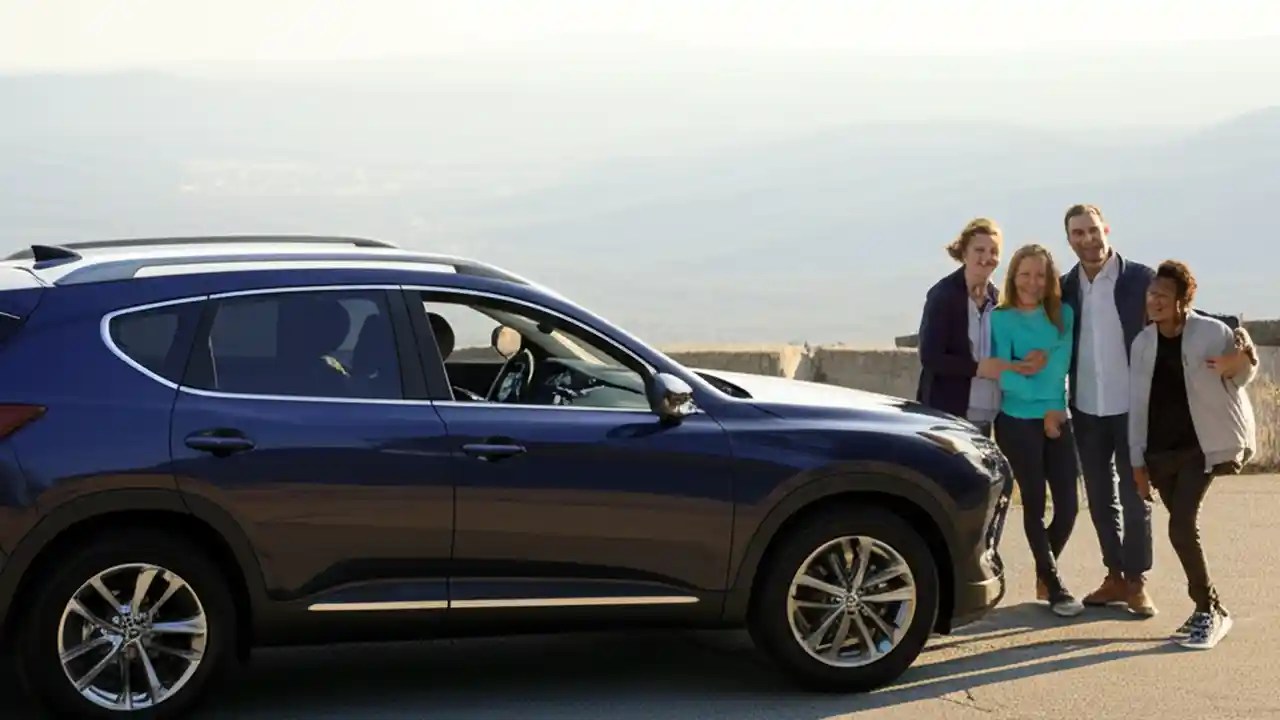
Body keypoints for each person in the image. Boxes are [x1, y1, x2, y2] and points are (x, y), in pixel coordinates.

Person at [1058, 203, 1254, 617]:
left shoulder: (1140, 278)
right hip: (1086, 407)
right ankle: (1114, 575)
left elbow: (1195, 312)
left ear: (1106, 230)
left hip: (1133, 407)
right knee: (1099, 498)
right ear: (1069, 239)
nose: (1087, 239)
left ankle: (1136, 581)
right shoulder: (1065, 288)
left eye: (1093, 230)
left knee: (1136, 497)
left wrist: (1242, 343)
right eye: (1078, 233)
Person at [1127, 260, 1257, 649]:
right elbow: (1137, 406)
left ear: (1183, 301)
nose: (1155, 301)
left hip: (1200, 448)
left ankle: (1206, 610)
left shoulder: (1211, 332)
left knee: (1181, 527)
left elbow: (1242, 371)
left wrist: (1239, 362)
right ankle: (1212, 607)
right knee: (1183, 531)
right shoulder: (1142, 343)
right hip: (1159, 453)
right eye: (1152, 294)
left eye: (1164, 296)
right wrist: (1137, 463)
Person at [991, 243, 1083, 617]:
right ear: (1014, 277)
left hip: (1056, 416)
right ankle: (1055, 586)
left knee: (1069, 506)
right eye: (1025, 274)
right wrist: (1024, 376)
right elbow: (1005, 376)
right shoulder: (1001, 319)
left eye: (1040, 275)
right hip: (1015, 419)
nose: (1032, 282)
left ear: (1050, 279)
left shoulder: (1063, 315)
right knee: (1033, 502)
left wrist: (1050, 409)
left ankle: (1045, 570)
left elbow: (1059, 367)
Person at [916, 218, 1038, 436]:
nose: (987, 258)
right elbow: (930, 357)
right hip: (949, 413)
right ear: (964, 253)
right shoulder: (944, 296)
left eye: (993, 251)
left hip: (988, 414)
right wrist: (979, 369)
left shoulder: (999, 301)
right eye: (979, 250)